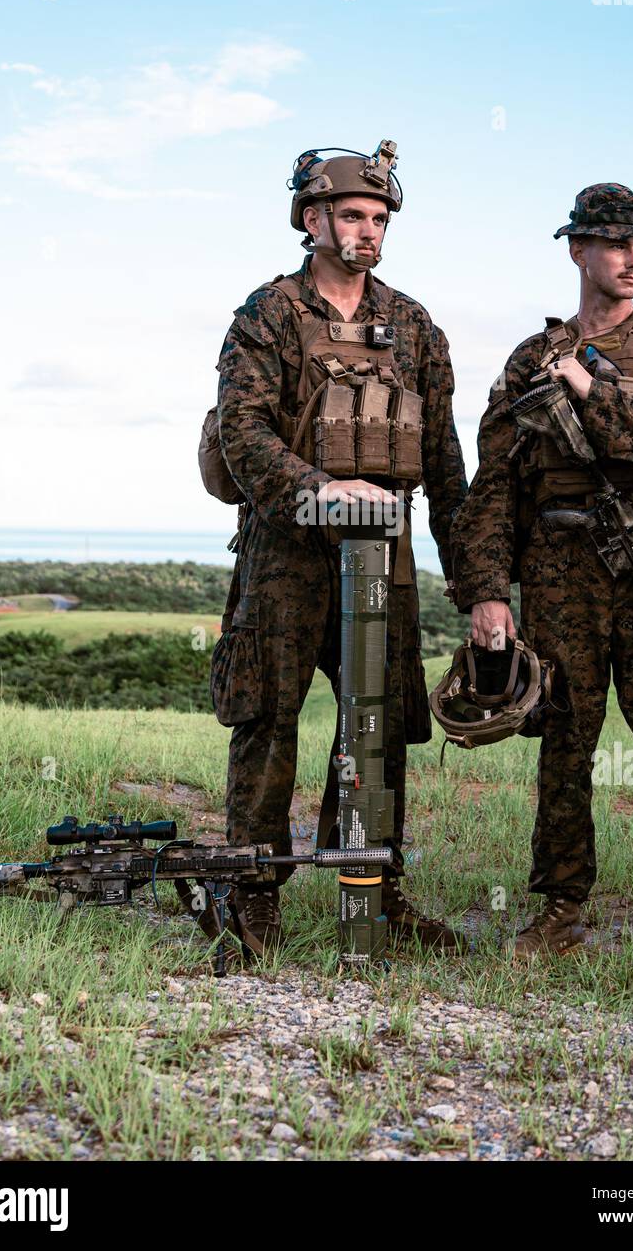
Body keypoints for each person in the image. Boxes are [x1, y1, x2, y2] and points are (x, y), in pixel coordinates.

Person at [451, 183, 633, 966]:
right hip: (559, 569)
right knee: (565, 744)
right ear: (578, 250)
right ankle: (559, 911)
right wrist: (485, 591)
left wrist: (591, 387)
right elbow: (495, 485)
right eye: (617, 244)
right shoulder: (528, 358)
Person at [209, 141, 468, 954]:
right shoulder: (269, 314)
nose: (368, 230)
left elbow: (446, 462)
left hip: (383, 557)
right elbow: (241, 429)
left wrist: (475, 578)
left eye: (379, 217)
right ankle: (251, 897)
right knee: (267, 717)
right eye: (353, 215)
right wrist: (314, 488)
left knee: (382, 724)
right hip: (287, 553)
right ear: (313, 218)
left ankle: (374, 891)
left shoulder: (416, 325)